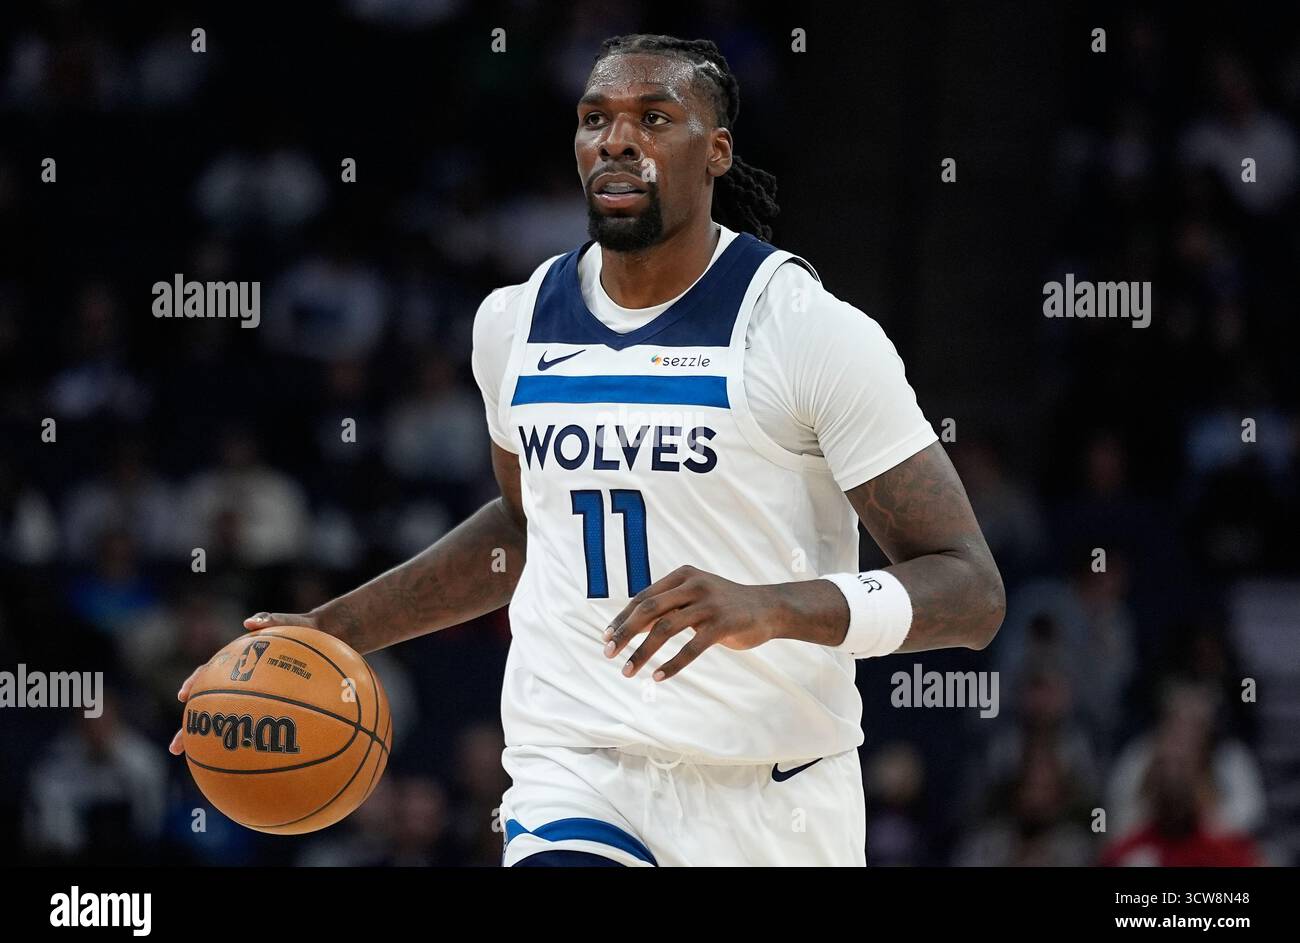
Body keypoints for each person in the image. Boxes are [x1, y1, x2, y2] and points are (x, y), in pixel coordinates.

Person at [170, 34, 1005, 867]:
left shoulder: (806, 331)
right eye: (595, 118)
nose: (616, 138)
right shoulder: (513, 322)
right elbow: (521, 527)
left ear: (716, 151)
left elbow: (970, 592)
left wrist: (773, 605)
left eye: (654, 117)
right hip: (575, 769)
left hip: (776, 794)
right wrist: (332, 630)